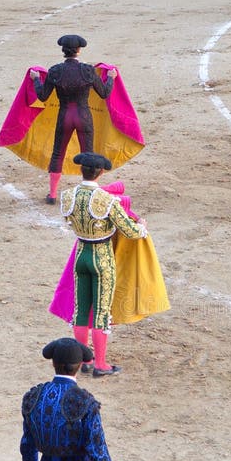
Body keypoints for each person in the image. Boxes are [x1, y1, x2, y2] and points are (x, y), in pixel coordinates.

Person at [62, 152, 148, 377]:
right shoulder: (106, 200)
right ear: (101, 172)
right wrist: (142, 226)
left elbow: (68, 220)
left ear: (82, 170)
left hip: (81, 254)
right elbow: (130, 231)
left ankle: (84, 360)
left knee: (81, 310)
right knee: (100, 312)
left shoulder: (68, 195)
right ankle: (100, 364)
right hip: (102, 257)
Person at [30, 34, 117, 205]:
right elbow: (105, 93)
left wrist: (35, 80)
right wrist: (111, 78)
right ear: (79, 50)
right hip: (84, 116)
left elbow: (42, 96)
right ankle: (91, 194)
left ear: (63, 51)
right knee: (89, 155)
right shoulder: (87, 70)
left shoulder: (55, 71)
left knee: (57, 154)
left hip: (64, 117)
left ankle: (53, 194)